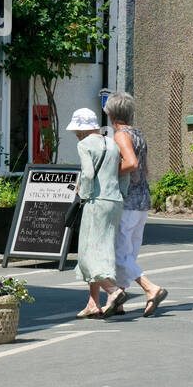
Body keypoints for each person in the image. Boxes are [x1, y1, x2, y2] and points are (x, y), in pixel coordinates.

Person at [106, 90, 168, 317]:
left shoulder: (121, 135)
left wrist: (110, 172)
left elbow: (131, 163)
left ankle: (151, 288)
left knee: (119, 254)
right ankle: (118, 301)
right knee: (129, 253)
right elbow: (145, 168)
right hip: (142, 199)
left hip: (128, 200)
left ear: (112, 115)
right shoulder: (139, 134)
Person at [66, 108, 128, 319]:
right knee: (104, 250)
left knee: (86, 254)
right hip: (115, 201)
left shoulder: (83, 144)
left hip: (96, 202)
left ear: (81, 129)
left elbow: (88, 174)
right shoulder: (112, 143)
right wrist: (122, 193)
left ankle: (113, 291)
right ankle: (93, 302)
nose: (75, 133)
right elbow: (124, 174)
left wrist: (81, 194)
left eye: (75, 129)